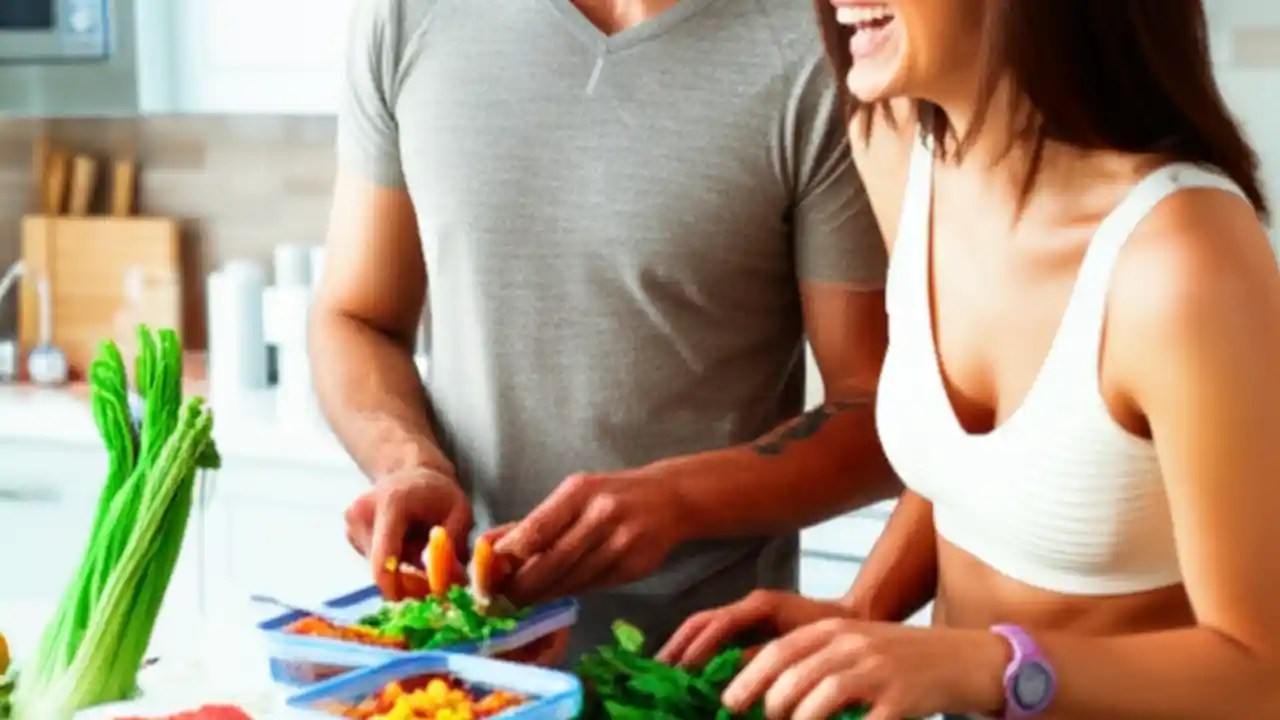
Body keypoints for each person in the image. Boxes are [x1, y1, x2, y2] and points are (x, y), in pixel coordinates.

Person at [660, 1, 1280, 718]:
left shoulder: (1184, 265)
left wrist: (987, 660)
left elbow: (1261, 671)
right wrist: (862, 612)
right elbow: (974, 473)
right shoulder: (896, 146)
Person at [309, 0, 900, 657]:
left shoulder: (822, 46)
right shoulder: (409, 16)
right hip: (462, 674)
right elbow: (356, 316)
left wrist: (680, 501)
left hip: (695, 677)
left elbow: (878, 411)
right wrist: (407, 462)